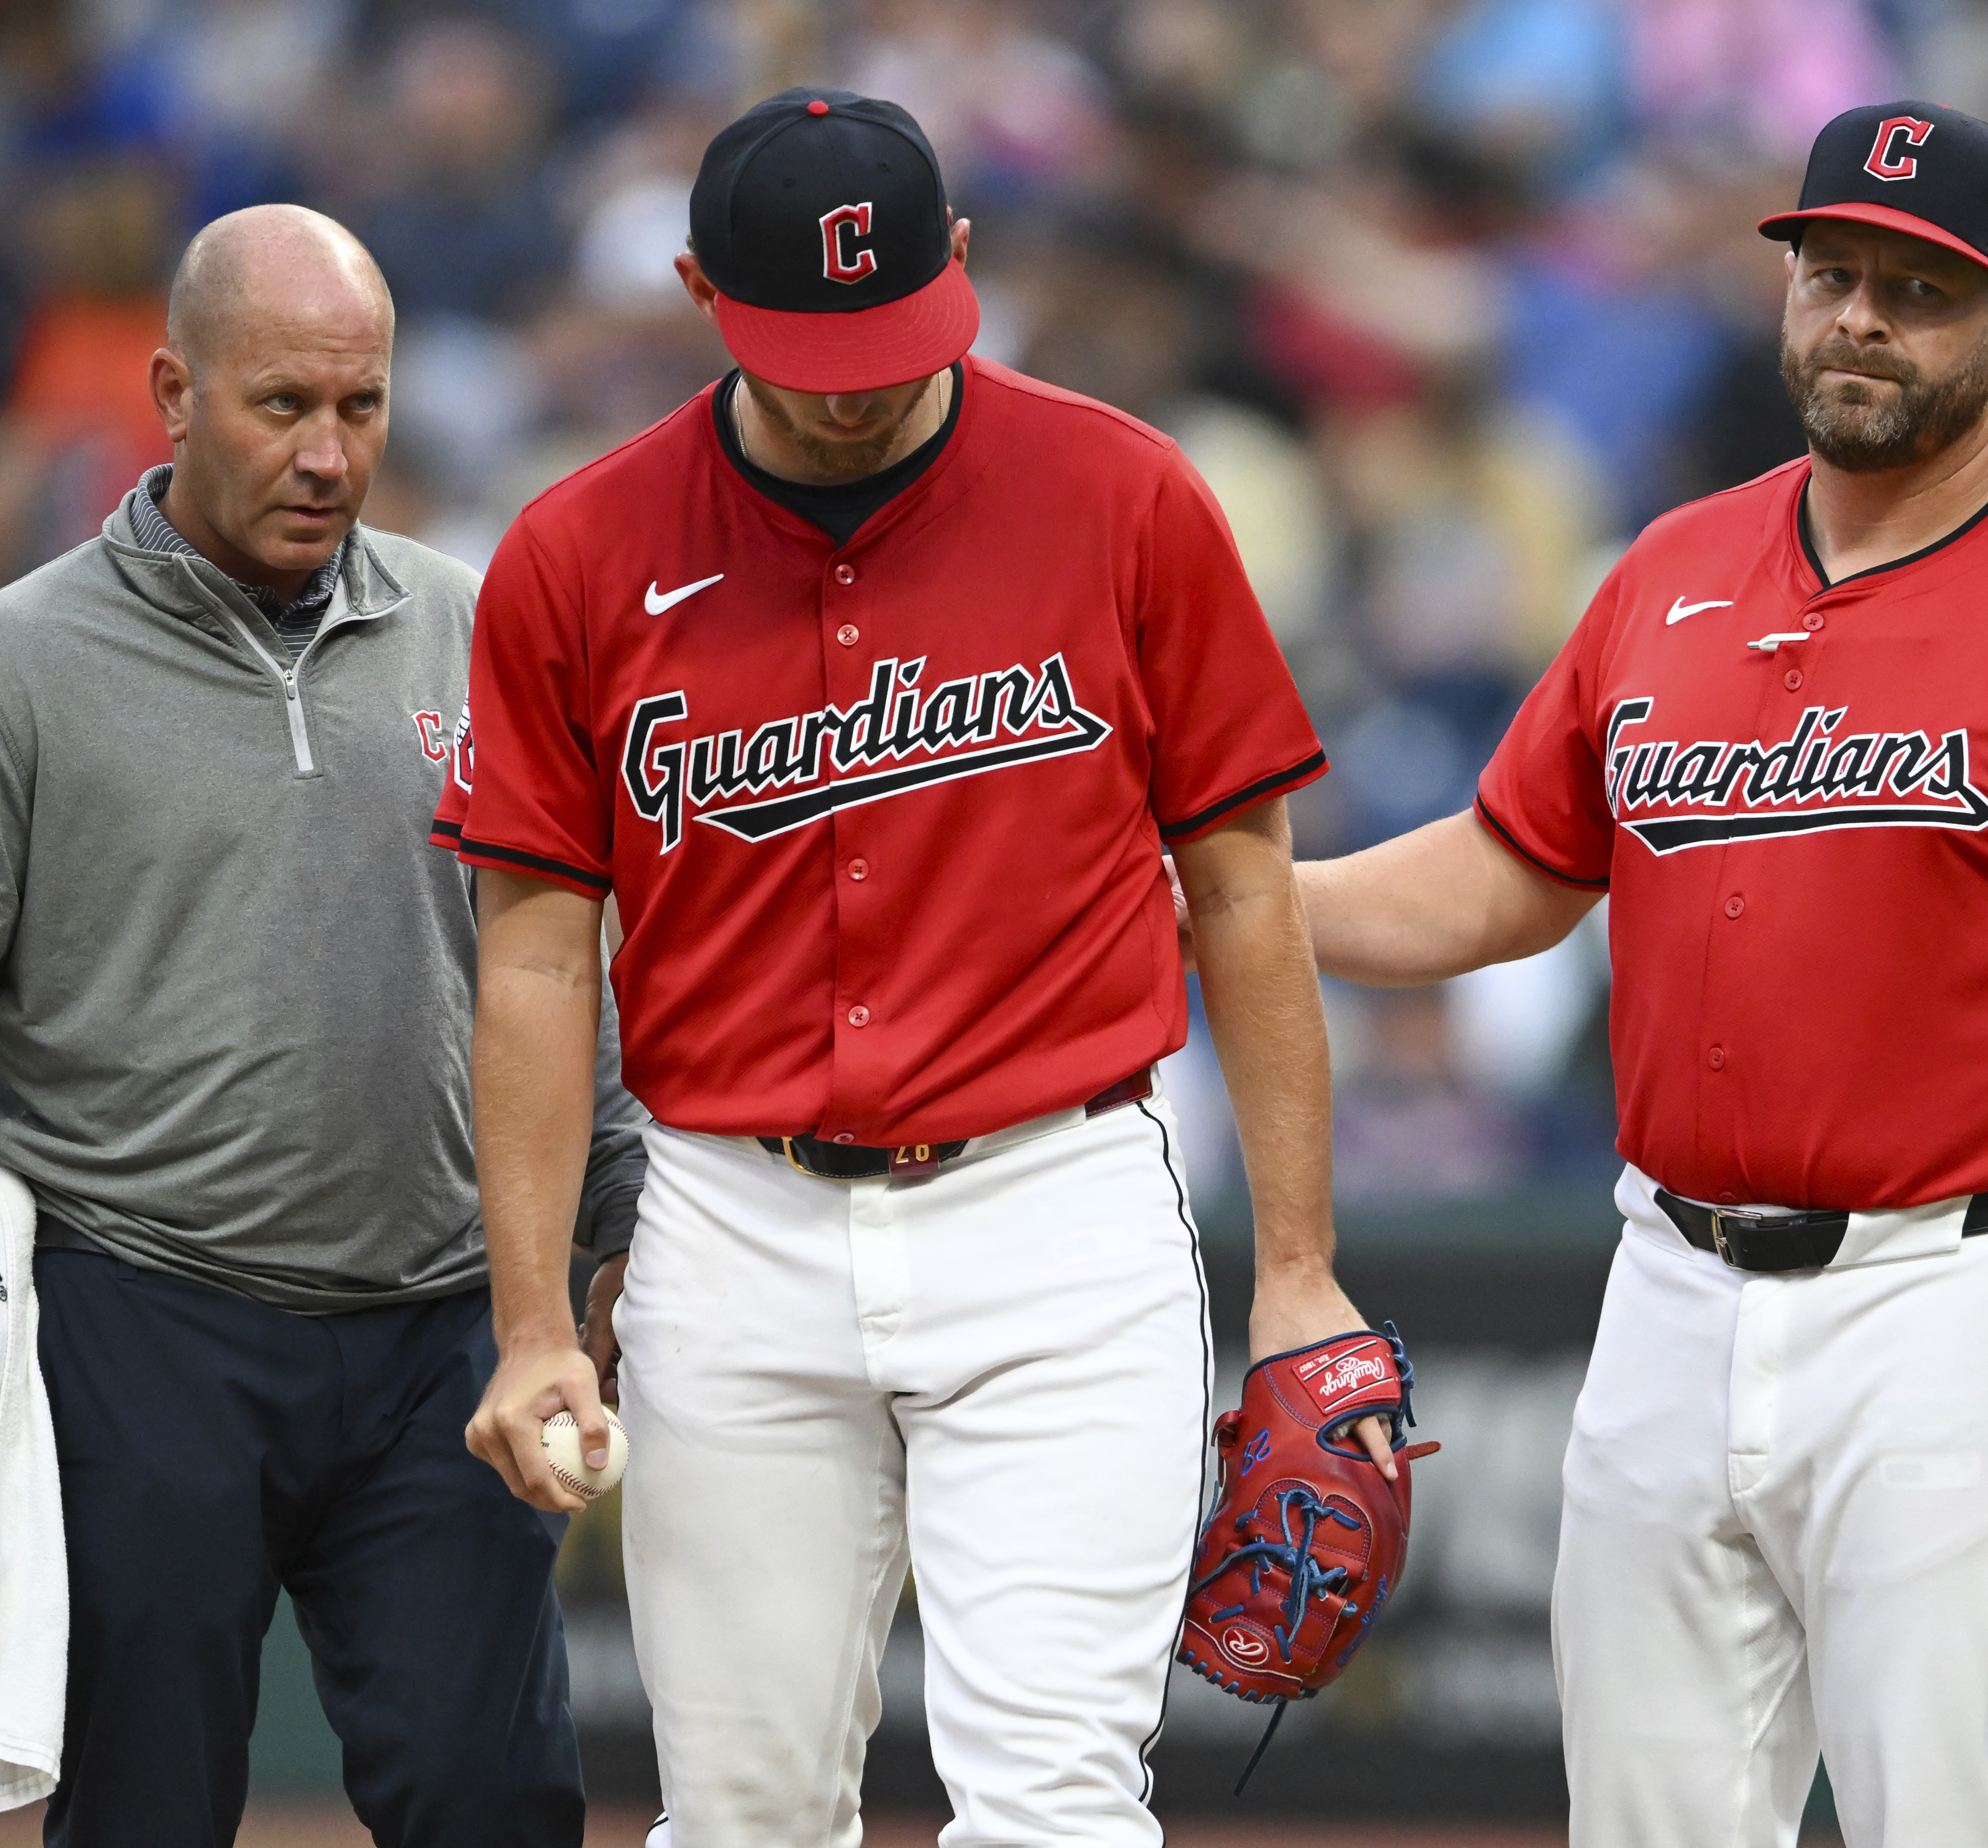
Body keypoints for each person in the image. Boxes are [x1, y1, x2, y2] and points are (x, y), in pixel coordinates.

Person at [1297, 103, 1988, 1848]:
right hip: (1669, 1282)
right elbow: (1500, 878)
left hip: (1968, 1291)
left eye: (1914, 289)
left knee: (1946, 1818)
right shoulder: (1673, 570)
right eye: (1829, 273)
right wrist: (1223, 898)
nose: (1857, 317)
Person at [442, 89, 1375, 1848]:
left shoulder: (1122, 493)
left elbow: (1245, 891)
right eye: (807, 342)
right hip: (733, 1221)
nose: (858, 379)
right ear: (696, 288)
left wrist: (1302, 1270)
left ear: (959, 263)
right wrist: (532, 1320)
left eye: (893, 329)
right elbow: (539, 961)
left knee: (1056, 1808)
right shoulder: (576, 552)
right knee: (743, 1812)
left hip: (1058, 1206)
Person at [2, 205, 642, 1848]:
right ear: (171, 389)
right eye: (280, 404)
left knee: (492, 1798)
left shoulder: (477, 624)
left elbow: (574, 954)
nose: (327, 453)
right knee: (143, 1810)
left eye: (359, 407)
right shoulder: (26, 662)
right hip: (142, 1315)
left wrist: (620, 1214)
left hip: (449, 1319)